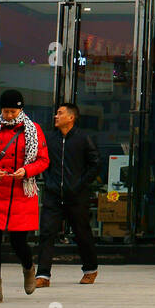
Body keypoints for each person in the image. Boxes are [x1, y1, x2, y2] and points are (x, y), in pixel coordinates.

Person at [0, 89, 48, 304]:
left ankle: (28, 267)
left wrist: (26, 171)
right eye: (5, 111)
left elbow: (43, 160)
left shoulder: (33, 130)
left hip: (21, 192)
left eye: (13, 111)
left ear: (20, 109)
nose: (8, 115)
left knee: (18, 241)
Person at [34, 102, 100, 287]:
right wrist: (49, 181)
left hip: (76, 195)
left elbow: (95, 164)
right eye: (56, 113)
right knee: (47, 232)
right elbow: (43, 162)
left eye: (60, 113)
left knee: (82, 233)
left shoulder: (84, 138)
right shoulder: (49, 139)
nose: (56, 116)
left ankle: (90, 270)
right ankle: (43, 275)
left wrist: (80, 184)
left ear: (71, 117)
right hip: (54, 194)